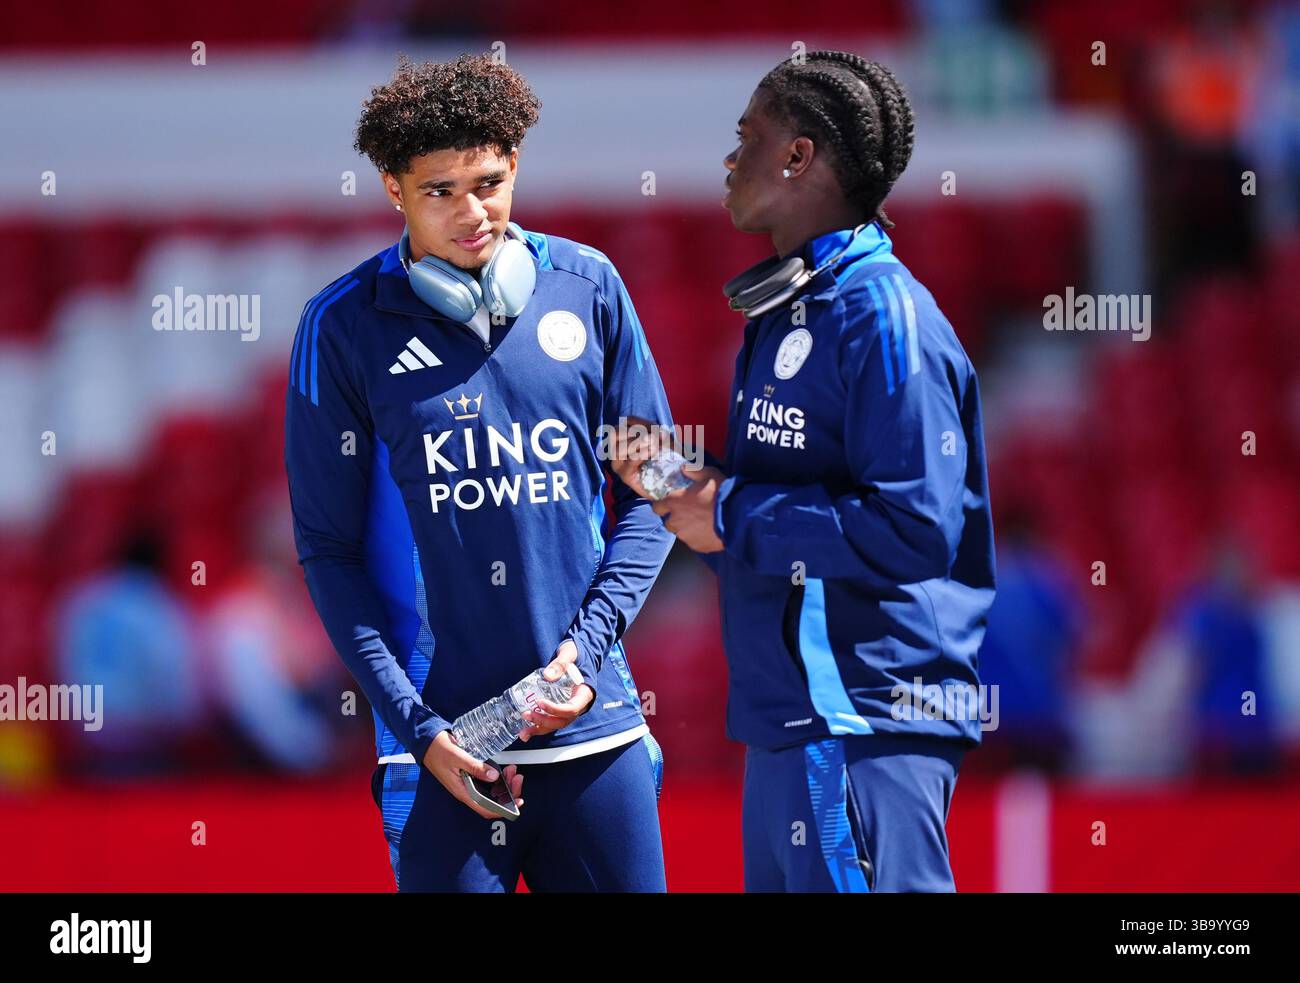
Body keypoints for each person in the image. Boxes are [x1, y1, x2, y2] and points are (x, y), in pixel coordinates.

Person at [285, 54, 674, 892]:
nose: (474, 213)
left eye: (490, 182)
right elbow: (326, 549)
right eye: (441, 191)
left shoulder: (591, 287)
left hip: (598, 737)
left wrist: (591, 643)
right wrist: (416, 726)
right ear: (392, 189)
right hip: (441, 754)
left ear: (517, 166)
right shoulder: (341, 327)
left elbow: (657, 490)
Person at [615, 51, 996, 892]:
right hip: (793, 726)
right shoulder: (789, 310)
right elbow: (764, 521)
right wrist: (667, 474)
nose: (729, 159)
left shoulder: (885, 316)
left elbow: (915, 527)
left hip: (860, 718)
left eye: (747, 136)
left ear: (800, 157)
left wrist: (734, 510)